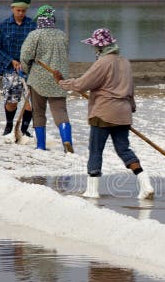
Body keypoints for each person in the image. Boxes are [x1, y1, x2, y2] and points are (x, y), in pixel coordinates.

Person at [52, 28, 154, 200]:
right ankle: (145, 185)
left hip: (104, 113)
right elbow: (130, 90)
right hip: (123, 112)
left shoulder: (103, 62)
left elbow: (82, 84)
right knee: (124, 149)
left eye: (95, 48)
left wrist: (61, 82)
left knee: (95, 150)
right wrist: (132, 108)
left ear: (99, 48)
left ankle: (92, 190)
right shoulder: (125, 62)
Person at [19, 5, 73, 152]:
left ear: (40, 20)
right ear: (52, 20)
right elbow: (66, 54)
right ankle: (67, 142)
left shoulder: (35, 35)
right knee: (60, 112)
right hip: (59, 79)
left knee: (38, 112)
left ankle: (41, 146)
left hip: (38, 80)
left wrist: (25, 70)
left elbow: (25, 55)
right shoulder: (62, 35)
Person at [0, 0, 36, 139]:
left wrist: (27, 62)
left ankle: (24, 129)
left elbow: (37, 47)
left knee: (30, 103)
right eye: (18, 10)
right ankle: (9, 125)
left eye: (23, 11)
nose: (21, 13)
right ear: (12, 9)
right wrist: (11, 60)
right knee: (12, 102)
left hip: (29, 70)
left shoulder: (32, 26)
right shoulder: (3, 26)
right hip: (9, 69)